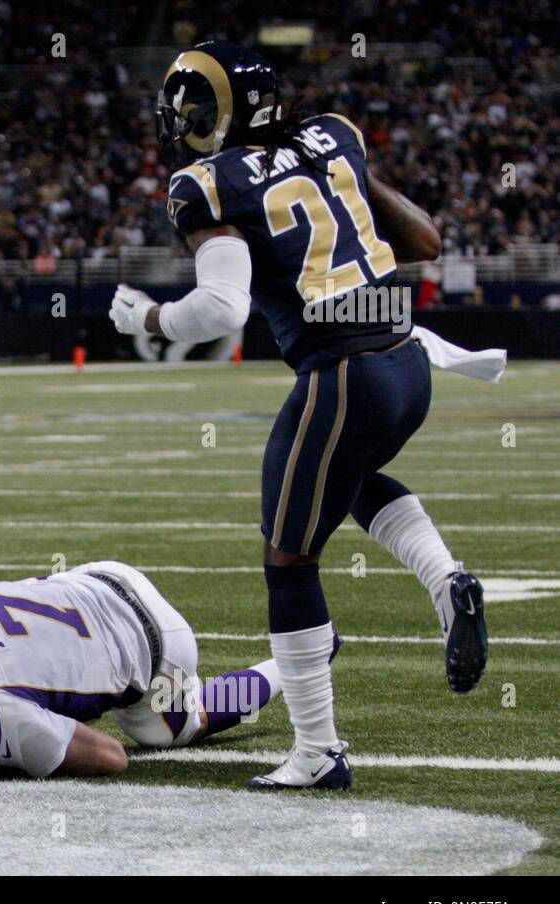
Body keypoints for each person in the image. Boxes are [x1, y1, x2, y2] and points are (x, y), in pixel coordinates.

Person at [110, 42, 500, 789]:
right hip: (407, 360)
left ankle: (319, 751)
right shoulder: (334, 134)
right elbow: (425, 240)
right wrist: (337, 174)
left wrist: (149, 319)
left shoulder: (206, 183)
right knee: (349, 476)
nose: (182, 122)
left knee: (288, 562)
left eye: (192, 107)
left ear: (223, 111)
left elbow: (221, 306)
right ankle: (446, 579)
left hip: (343, 372)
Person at [0, 561, 290, 778]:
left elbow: (111, 757)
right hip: (101, 576)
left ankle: (290, 667)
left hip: (161, 647)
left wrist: (18, 735)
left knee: (174, 728)